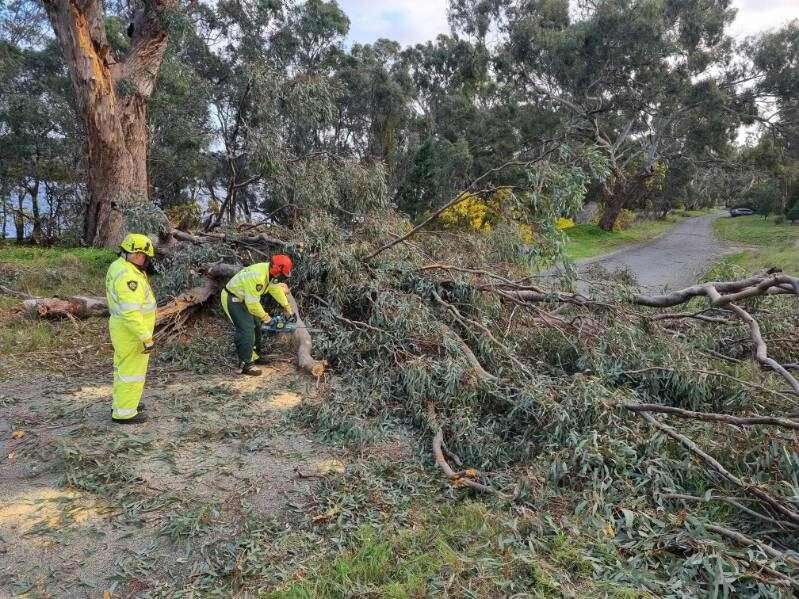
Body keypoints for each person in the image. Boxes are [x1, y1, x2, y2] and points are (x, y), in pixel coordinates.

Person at [105, 233, 157, 424]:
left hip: (124, 329)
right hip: (132, 332)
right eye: (145, 257)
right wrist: (145, 337)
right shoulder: (128, 276)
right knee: (131, 372)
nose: (146, 261)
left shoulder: (120, 266)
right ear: (137, 254)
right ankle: (125, 413)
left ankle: (123, 403)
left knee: (123, 369)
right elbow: (131, 312)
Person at [221, 256, 294, 376]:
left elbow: (275, 289)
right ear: (276, 269)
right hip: (233, 298)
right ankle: (245, 364)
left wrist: (287, 307)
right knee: (246, 329)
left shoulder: (271, 275)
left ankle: (255, 357)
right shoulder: (257, 276)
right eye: (282, 274)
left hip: (246, 299)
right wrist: (267, 318)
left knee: (257, 326)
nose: (282, 277)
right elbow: (253, 304)